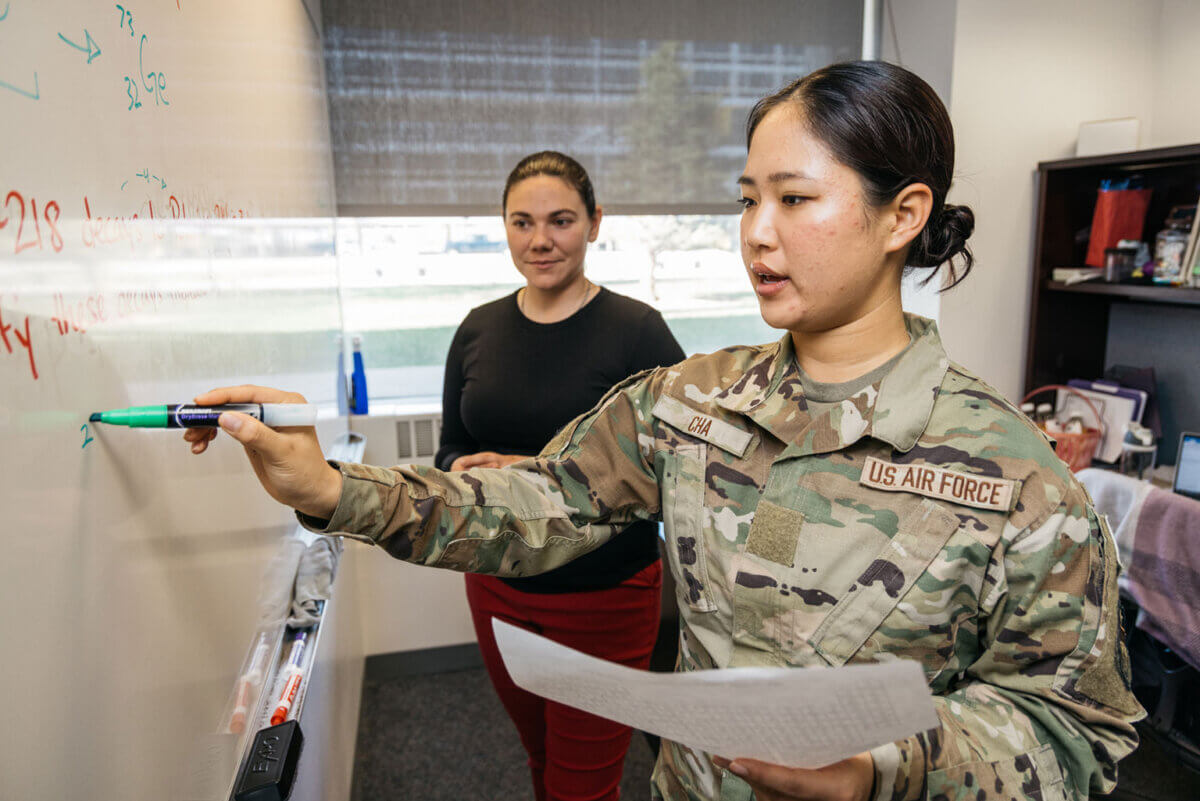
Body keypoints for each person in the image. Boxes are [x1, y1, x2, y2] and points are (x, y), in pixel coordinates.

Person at [185, 61, 1143, 801]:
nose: (756, 232)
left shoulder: (1014, 474)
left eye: (795, 199)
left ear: (903, 215)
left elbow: (1071, 725)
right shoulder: (688, 402)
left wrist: (890, 763)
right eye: (746, 198)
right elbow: (535, 501)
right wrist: (329, 489)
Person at [437, 150, 685, 801]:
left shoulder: (637, 334)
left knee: (585, 784)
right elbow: (450, 450)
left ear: (595, 222)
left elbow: (681, 468)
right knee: (541, 754)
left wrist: (530, 472)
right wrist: (463, 473)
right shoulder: (478, 329)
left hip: (603, 592)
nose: (539, 240)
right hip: (498, 587)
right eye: (522, 222)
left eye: (560, 220)